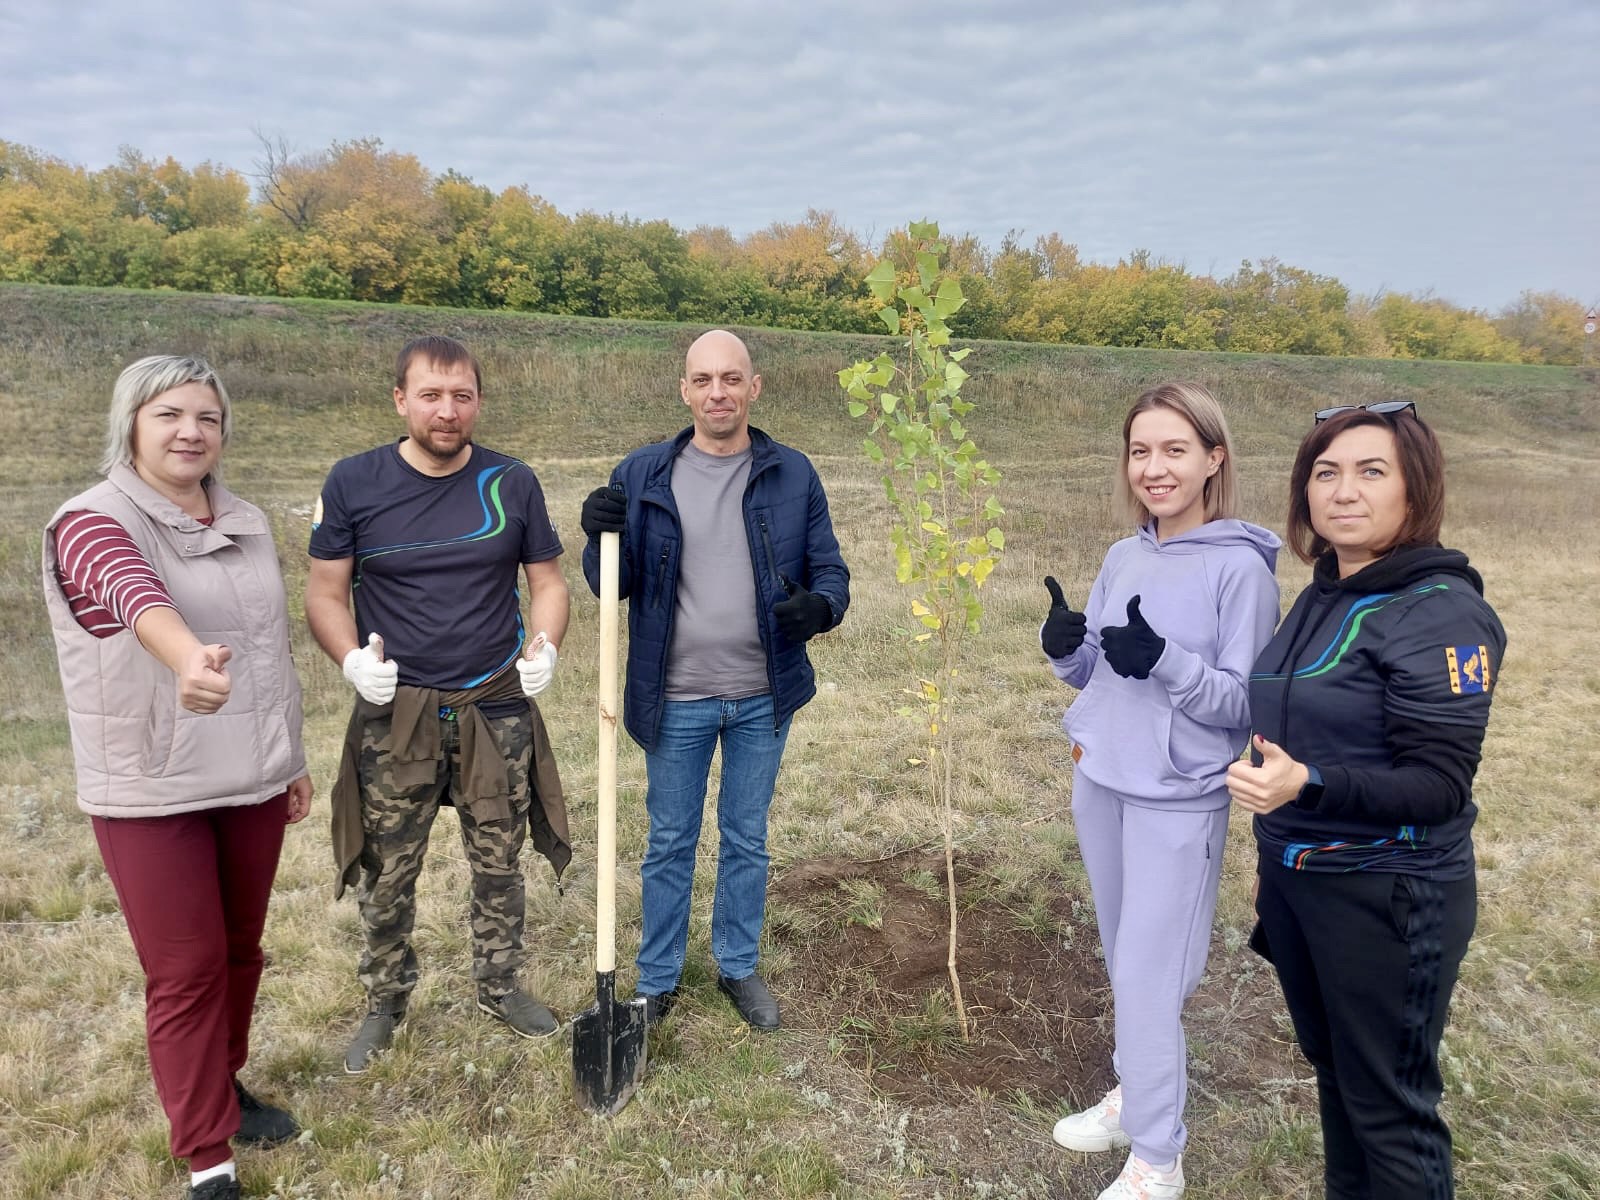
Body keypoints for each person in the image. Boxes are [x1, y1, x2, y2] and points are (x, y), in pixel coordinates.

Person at [42, 355, 311, 1200]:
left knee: (239, 953)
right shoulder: (88, 520)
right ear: (129, 424)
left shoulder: (248, 519)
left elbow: (267, 651)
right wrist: (187, 656)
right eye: (168, 415)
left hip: (253, 777)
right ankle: (208, 1157)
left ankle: (221, 1081)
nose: (191, 431)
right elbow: (131, 592)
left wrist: (290, 760)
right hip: (153, 786)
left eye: (207, 417)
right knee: (187, 968)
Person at [1226, 402, 1503, 1199]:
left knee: (1390, 1111)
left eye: (1371, 471)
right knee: (1338, 1084)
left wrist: (1307, 785)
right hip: (1301, 881)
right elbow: (1287, 734)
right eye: (1325, 472)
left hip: (1388, 898)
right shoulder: (1324, 594)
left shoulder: (1441, 612)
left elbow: (1440, 786)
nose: (1343, 491)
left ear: (1416, 489)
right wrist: (1272, 856)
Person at [306, 335, 573, 1074]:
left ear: (478, 400)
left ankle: (500, 984)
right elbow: (325, 591)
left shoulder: (511, 482)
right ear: (400, 399)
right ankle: (385, 1000)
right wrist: (353, 661)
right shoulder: (354, 483)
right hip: (399, 713)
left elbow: (547, 581)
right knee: (388, 871)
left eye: (461, 395)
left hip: (495, 705)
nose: (446, 410)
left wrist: (544, 645)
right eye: (430, 394)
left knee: (499, 861)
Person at [1040, 382, 1280, 1200]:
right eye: (1141, 451)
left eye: (1174, 449)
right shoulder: (1123, 555)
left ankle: (1158, 1157)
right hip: (1100, 779)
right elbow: (1107, 670)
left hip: (1177, 801)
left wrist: (1170, 664)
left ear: (1214, 459)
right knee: (1124, 962)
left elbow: (1246, 704)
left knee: (1151, 975)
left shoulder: (1242, 569)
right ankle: (1135, 1095)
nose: (1155, 467)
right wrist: (1068, 653)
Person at [577, 329, 849, 1031]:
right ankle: (659, 979)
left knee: (746, 835)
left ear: (754, 388)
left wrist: (821, 608)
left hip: (765, 692)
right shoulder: (641, 474)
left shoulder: (793, 473)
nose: (718, 392)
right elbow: (616, 585)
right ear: (685, 390)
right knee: (669, 838)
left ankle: (736, 966)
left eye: (731, 379)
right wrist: (595, 537)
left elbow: (831, 571)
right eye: (703, 380)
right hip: (675, 696)